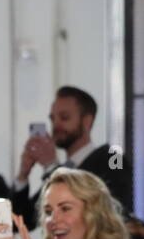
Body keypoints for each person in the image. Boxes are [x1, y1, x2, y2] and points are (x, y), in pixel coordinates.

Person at [12, 86, 133, 226]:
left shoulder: (114, 156)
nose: (56, 125)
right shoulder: (62, 169)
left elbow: (117, 208)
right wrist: (22, 176)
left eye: (64, 117)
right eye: (53, 119)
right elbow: (21, 221)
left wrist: (51, 166)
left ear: (87, 121)